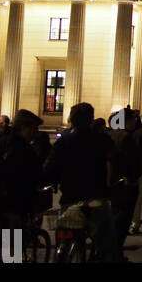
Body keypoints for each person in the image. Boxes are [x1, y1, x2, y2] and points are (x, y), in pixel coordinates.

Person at [42, 103, 118, 263]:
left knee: (63, 236)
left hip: (69, 200)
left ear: (72, 120)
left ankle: (62, 252)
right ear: (91, 119)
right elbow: (116, 161)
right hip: (95, 199)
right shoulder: (102, 140)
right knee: (109, 246)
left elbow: (49, 168)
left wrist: (50, 181)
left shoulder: (62, 142)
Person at [0, 110, 44, 238]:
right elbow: (32, 178)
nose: (36, 133)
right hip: (14, 205)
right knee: (13, 245)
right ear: (23, 128)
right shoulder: (25, 149)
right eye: (34, 128)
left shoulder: (0, 142)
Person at [109, 108, 141, 252]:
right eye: (133, 119)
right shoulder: (126, 137)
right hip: (125, 183)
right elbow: (130, 161)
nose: (135, 122)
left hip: (111, 183)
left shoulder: (110, 134)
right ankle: (116, 252)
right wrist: (133, 178)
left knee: (114, 216)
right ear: (126, 121)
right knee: (122, 220)